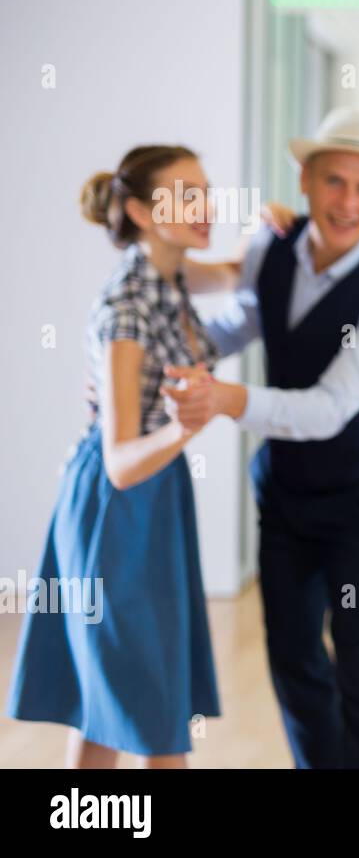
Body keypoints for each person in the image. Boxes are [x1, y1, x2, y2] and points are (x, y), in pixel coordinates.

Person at [169, 107, 359, 768]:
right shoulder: (270, 247)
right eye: (333, 180)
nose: (347, 201)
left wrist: (225, 400)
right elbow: (234, 327)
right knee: (291, 658)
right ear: (305, 180)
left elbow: (329, 409)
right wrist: (153, 352)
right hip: (283, 491)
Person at [7, 146, 223, 767]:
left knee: (119, 698)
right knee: (145, 696)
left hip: (156, 496)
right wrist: (188, 424)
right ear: (140, 210)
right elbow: (122, 459)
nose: (205, 206)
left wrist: (279, 228)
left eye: (205, 190)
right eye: (185, 195)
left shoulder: (172, 275)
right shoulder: (126, 308)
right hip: (117, 505)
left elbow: (238, 273)